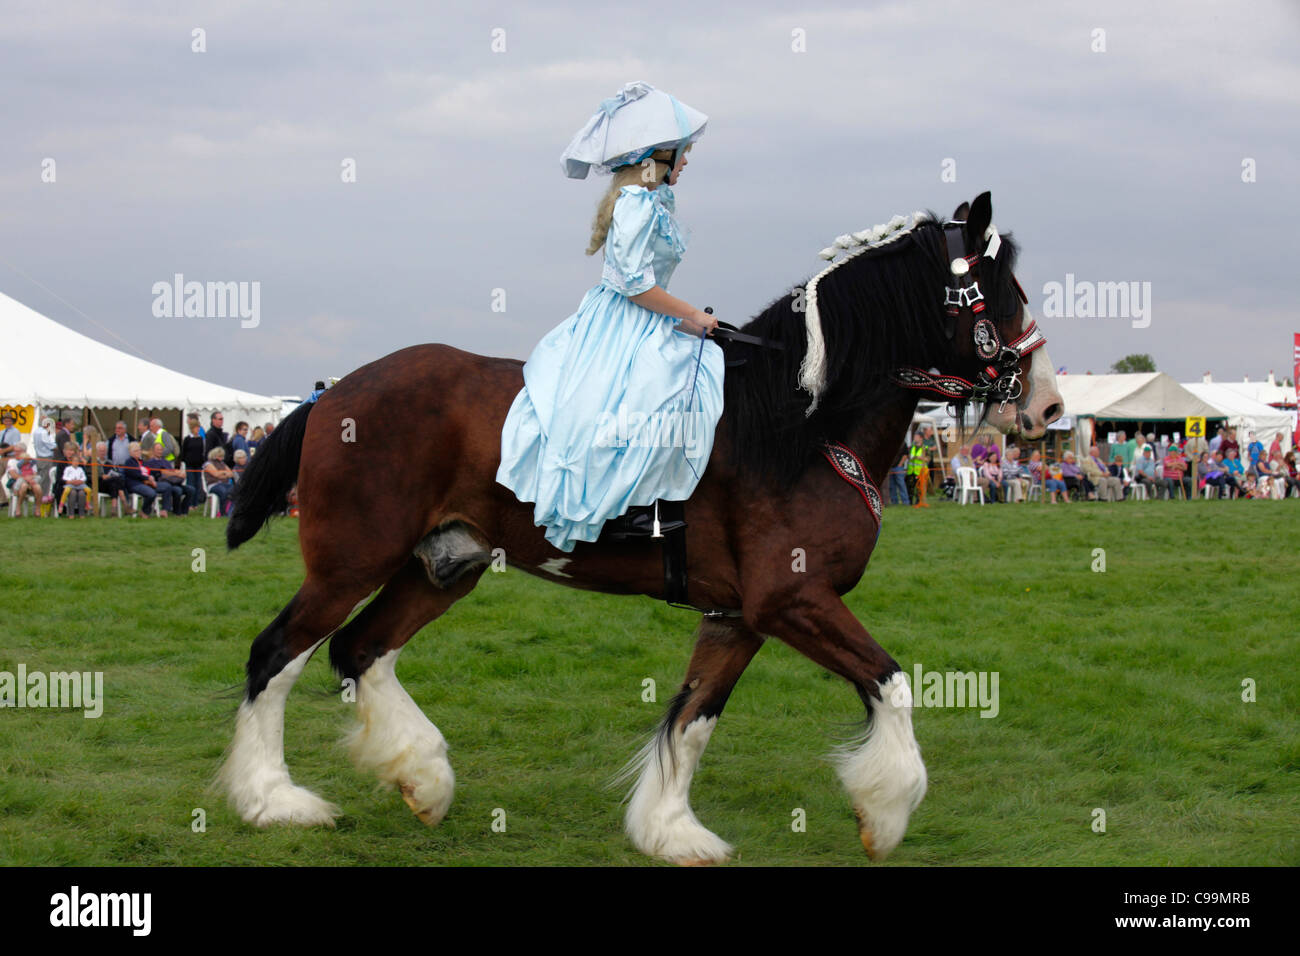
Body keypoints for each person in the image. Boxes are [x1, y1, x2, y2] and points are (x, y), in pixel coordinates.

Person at [496, 82, 721, 551]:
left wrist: (685, 321)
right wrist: (692, 314)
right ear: (660, 155)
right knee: (651, 397)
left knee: (695, 379)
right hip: (622, 322)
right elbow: (635, 284)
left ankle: (656, 504)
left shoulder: (654, 202)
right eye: (684, 152)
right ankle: (623, 515)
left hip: (644, 318)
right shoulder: (637, 205)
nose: (687, 160)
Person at [145, 441, 190, 515]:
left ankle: (184, 511)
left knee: (190, 490)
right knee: (178, 490)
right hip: (161, 483)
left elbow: (171, 471)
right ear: (153, 450)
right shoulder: (150, 462)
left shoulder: (166, 462)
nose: (160, 451)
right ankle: (176, 512)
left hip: (173, 481)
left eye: (161, 449)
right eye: (158, 449)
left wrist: (178, 473)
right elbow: (162, 472)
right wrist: (177, 473)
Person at [122, 441, 159, 516]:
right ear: (130, 452)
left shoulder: (142, 462)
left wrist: (151, 477)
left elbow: (149, 471)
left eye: (139, 450)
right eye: (136, 451)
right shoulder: (129, 462)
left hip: (146, 483)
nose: (138, 452)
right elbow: (135, 474)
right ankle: (144, 512)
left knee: (165, 487)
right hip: (134, 484)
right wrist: (147, 478)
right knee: (151, 493)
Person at [4, 445, 43, 513]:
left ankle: (37, 509)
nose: (15, 453)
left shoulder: (30, 461)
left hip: (31, 481)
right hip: (17, 482)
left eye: (18, 451)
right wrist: (26, 478)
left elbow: (35, 473)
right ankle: (18, 508)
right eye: (15, 451)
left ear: (24, 451)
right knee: (24, 486)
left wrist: (30, 479)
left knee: (38, 487)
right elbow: (13, 475)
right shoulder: (12, 461)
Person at [181, 418, 208, 508]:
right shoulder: (187, 439)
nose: (198, 429)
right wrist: (185, 460)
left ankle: (195, 503)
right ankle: (190, 503)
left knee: (198, 484)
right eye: (196, 427)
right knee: (190, 483)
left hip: (198, 465)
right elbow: (183, 451)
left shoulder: (201, 439)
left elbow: (203, 451)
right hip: (189, 465)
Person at [203, 447, 236, 515]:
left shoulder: (222, 464)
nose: (222, 457)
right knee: (223, 492)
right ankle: (222, 512)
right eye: (220, 456)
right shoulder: (208, 464)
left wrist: (221, 473)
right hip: (213, 485)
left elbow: (231, 474)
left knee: (235, 490)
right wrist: (224, 473)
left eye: (222, 456)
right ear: (214, 455)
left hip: (225, 484)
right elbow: (216, 474)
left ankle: (231, 511)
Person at [61, 449, 89, 518]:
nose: (76, 462)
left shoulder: (80, 469)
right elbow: (64, 478)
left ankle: (82, 513)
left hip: (80, 485)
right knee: (73, 493)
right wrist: (71, 481)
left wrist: (80, 481)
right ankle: (71, 513)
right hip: (70, 485)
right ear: (71, 462)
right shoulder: (68, 469)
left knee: (82, 493)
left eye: (77, 461)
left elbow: (84, 478)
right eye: (74, 461)